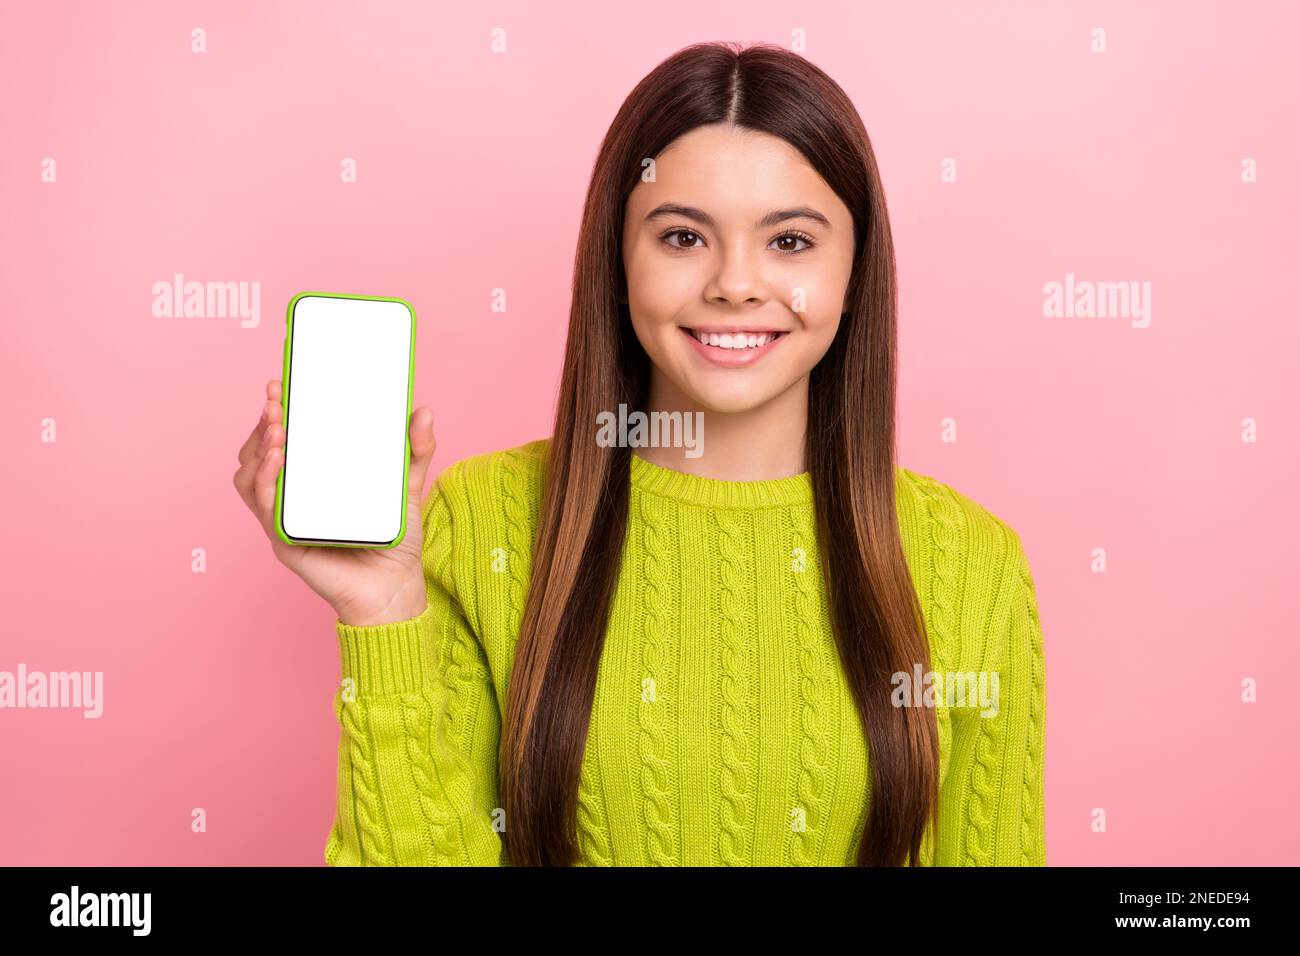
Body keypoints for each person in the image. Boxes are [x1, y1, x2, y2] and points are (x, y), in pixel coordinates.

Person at [232, 40, 1046, 867]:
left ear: (855, 269)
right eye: (684, 238)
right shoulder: (483, 523)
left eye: (790, 242)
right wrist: (381, 614)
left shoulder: (970, 564)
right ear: (619, 263)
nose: (735, 283)